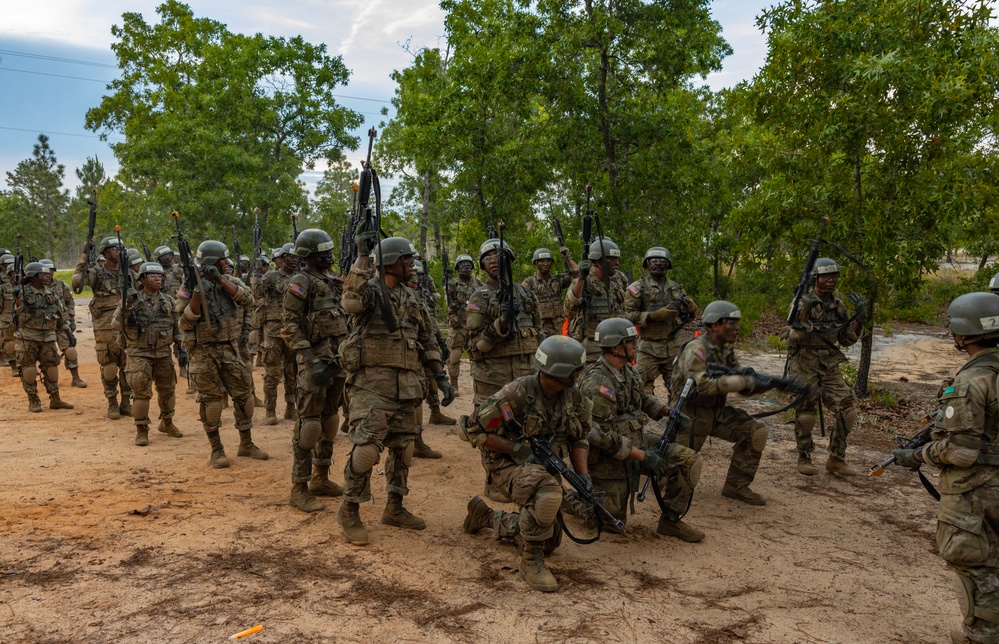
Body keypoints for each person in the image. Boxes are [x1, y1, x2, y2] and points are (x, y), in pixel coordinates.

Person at [891, 292, 999, 644]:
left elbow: (962, 453)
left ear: (962, 334)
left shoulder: (971, 383)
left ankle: (981, 635)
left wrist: (920, 455)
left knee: (973, 560)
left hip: (976, 490)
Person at [336, 233, 453, 545]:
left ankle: (394, 507)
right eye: (407, 260)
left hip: (406, 388)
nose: (412, 265)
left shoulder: (411, 297)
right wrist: (362, 256)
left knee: (404, 448)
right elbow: (350, 302)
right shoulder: (370, 292)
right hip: (370, 386)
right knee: (366, 449)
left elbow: (427, 339)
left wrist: (440, 376)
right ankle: (349, 509)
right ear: (390, 263)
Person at [461, 335, 592, 592]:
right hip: (506, 465)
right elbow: (472, 430)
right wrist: (517, 449)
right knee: (547, 492)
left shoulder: (572, 398)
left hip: (541, 468)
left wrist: (583, 476)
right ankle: (530, 562)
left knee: (550, 540)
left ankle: (486, 517)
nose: (579, 376)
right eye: (575, 371)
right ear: (560, 373)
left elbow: (579, 437)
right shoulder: (517, 394)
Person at [577, 317, 705, 541]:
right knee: (610, 524)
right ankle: (572, 501)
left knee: (689, 461)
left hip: (637, 442)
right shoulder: (598, 382)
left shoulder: (627, 370)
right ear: (616, 347)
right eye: (631, 341)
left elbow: (642, 398)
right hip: (609, 460)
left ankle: (670, 520)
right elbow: (600, 435)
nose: (637, 345)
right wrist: (643, 456)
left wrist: (667, 411)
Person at [666, 300, 771, 506]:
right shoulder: (697, 349)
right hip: (690, 416)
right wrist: (734, 381)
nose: (736, 328)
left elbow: (741, 386)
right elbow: (701, 386)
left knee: (755, 432)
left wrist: (761, 384)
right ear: (715, 325)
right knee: (675, 470)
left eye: (737, 323)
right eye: (731, 323)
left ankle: (736, 485)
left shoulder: (725, 351)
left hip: (716, 413)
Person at [177, 240, 267, 468]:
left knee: (244, 396)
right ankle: (216, 450)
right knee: (212, 402)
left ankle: (246, 443)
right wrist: (198, 291)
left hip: (229, 348)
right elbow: (184, 322)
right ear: (211, 261)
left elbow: (249, 300)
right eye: (223, 260)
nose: (227, 263)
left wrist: (219, 279)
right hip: (203, 352)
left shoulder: (231, 281)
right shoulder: (188, 285)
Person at [282, 229, 350, 513]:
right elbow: (289, 324)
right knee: (309, 425)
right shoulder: (301, 282)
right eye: (324, 252)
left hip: (337, 361)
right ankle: (299, 487)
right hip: (314, 363)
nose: (330, 256)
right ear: (309, 256)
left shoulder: (333, 281)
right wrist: (310, 359)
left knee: (330, 420)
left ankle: (321, 478)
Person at [785, 258, 866, 477]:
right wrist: (804, 315)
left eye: (834, 276)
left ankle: (836, 459)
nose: (831, 280)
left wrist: (859, 318)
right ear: (815, 278)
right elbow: (792, 336)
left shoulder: (837, 306)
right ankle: (804, 455)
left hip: (829, 365)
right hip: (804, 364)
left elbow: (848, 339)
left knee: (847, 411)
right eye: (825, 276)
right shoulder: (802, 302)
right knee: (806, 416)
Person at [112, 262, 184, 446]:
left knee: (168, 390)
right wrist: (126, 305)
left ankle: (167, 423)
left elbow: (176, 326)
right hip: (139, 353)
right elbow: (116, 325)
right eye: (152, 275)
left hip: (162, 352)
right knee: (142, 393)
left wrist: (181, 348)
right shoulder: (131, 299)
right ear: (142, 279)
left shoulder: (168, 300)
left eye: (159, 275)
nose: (157, 278)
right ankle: (141, 429)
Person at [465, 238, 542, 405]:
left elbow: (539, 334)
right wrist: (503, 322)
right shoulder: (479, 297)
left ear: (510, 259)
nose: (493, 260)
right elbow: (475, 345)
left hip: (526, 376)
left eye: (498, 255)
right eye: (487, 257)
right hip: (492, 379)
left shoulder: (527, 294)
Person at [73, 236, 132, 419]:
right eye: (115, 248)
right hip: (105, 324)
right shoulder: (97, 272)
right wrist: (84, 255)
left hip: (127, 323)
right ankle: (112, 402)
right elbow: (77, 283)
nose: (119, 251)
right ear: (106, 252)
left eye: (121, 248)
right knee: (109, 364)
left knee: (128, 364)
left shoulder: (128, 272)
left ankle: (126, 402)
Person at [625, 247, 697, 395]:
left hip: (673, 346)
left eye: (662, 260)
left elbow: (687, 315)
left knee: (680, 388)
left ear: (668, 264)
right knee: (639, 388)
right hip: (648, 347)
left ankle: (675, 416)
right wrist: (654, 316)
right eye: (654, 260)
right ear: (647, 264)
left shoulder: (676, 288)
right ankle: (642, 417)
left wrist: (689, 308)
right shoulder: (637, 288)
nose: (658, 263)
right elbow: (628, 316)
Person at [14, 262, 74, 412]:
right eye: (44, 274)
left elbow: (59, 315)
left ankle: (55, 399)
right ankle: (33, 400)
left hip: (47, 337)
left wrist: (68, 332)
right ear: (35, 276)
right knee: (28, 370)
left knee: (52, 368)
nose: (48, 276)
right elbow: (19, 310)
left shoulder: (51, 293)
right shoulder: (22, 292)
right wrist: (17, 297)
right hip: (28, 337)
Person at [408, 260, 452, 458]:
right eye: (411, 275)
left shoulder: (417, 299)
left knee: (418, 394)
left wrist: (440, 345)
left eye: (417, 275)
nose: (415, 279)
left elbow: (429, 327)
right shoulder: (382, 295)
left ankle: (416, 443)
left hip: (417, 354)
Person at [564, 238, 626, 363]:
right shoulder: (585, 281)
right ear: (598, 261)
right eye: (612, 259)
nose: (617, 263)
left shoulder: (618, 279)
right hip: (592, 348)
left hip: (617, 343)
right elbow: (568, 311)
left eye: (617, 259)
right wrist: (581, 278)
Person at [256, 243, 298, 425]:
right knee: (272, 373)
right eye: (291, 257)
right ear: (282, 258)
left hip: (294, 330)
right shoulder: (272, 276)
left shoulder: (301, 277)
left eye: (297, 257)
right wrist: (257, 274)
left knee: (292, 372)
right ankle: (270, 410)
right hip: (273, 331)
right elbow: (257, 293)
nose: (295, 260)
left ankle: (291, 408)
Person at [40, 259, 87, 389]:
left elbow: (69, 302)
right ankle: (50, 381)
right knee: (47, 354)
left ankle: (76, 378)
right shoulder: (34, 288)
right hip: (43, 325)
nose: (48, 275)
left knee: (70, 349)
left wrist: (71, 319)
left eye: (51, 272)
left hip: (61, 323)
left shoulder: (61, 286)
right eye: (45, 273)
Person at [445, 253, 483, 396]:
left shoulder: (478, 283)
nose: (466, 267)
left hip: (475, 324)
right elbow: (450, 304)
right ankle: (454, 385)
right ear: (457, 267)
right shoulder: (452, 284)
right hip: (459, 324)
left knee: (478, 355)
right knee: (455, 354)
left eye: (468, 264)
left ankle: (478, 383)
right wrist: (452, 317)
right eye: (463, 264)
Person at [521, 247, 577, 339]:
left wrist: (568, 258)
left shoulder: (558, 279)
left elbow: (577, 273)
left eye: (548, 261)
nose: (545, 264)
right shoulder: (529, 283)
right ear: (535, 263)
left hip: (559, 325)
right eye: (542, 261)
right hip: (540, 326)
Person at [0, 254, 16, 374]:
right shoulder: (3, 288)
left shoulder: (25, 287)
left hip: (22, 319)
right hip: (7, 318)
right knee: (9, 342)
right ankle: (14, 367)